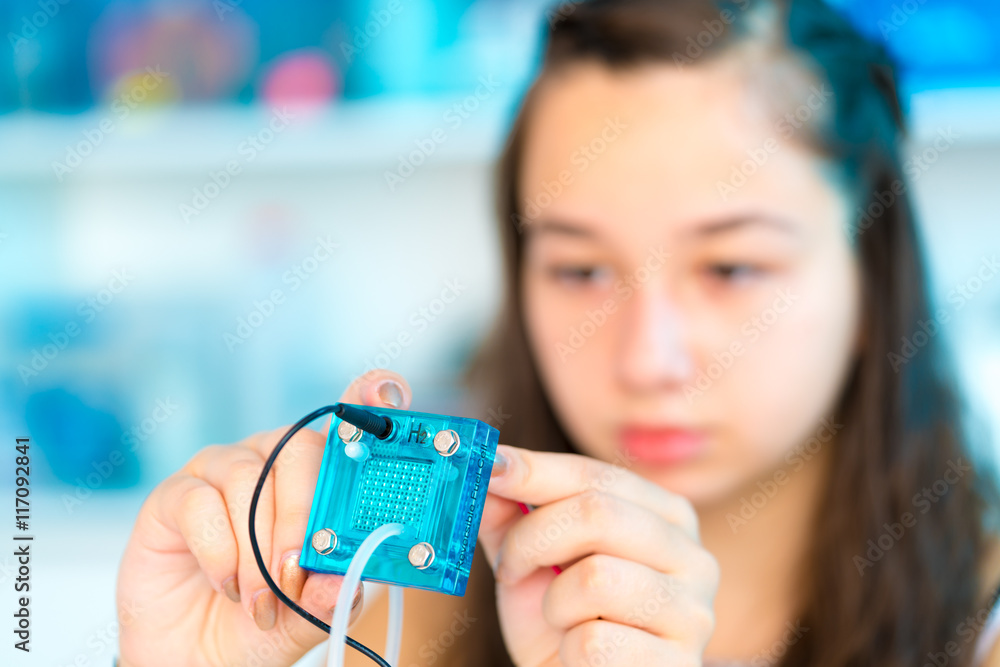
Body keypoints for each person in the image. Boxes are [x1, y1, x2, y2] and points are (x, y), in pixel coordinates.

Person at [115, 0, 1000, 665]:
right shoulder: (386, 613)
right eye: (579, 270)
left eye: (732, 269)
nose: (649, 358)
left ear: (871, 281)